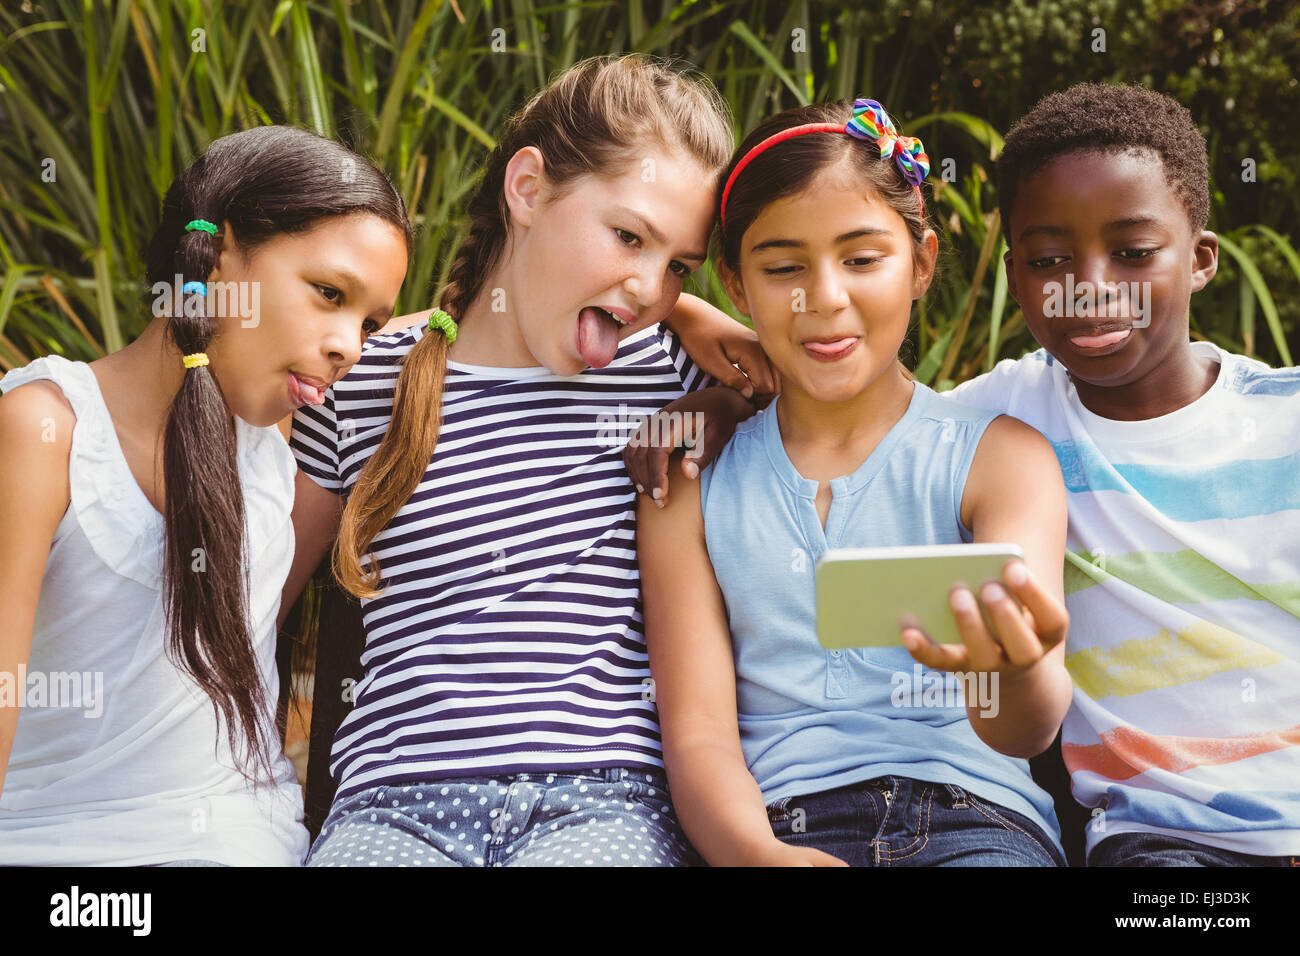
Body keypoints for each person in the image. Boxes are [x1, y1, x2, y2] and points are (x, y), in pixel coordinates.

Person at [283, 54, 777, 867]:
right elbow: (252, 598)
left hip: (604, 799)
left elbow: (843, 391)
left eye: (678, 265)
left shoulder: (667, 368)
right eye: (627, 236)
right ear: (527, 190)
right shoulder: (369, 375)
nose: (648, 285)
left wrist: (711, 376)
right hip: (392, 806)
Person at [635, 97, 1072, 867]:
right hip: (774, 828)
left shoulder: (1002, 460)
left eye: (863, 259)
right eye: (783, 268)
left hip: (976, 822)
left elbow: (1023, 729)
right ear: (736, 285)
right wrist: (752, 854)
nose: (824, 297)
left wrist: (1018, 666)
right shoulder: (689, 484)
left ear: (922, 265)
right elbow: (699, 730)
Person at [0, 125, 410, 865]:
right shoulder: (47, 430)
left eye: (369, 322)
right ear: (218, 258)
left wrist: (675, 313)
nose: (351, 344)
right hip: (55, 851)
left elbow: (461, 327)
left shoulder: (272, 435)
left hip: (242, 841)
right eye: (329, 293)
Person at [943, 83, 1300, 867]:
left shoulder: (1286, 420)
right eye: (1048, 261)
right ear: (1015, 272)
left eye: (1134, 254)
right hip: (1160, 841)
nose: (1090, 287)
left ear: (1200, 259)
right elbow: (847, 420)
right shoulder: (1009, 410)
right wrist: (726, 395)